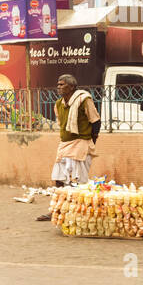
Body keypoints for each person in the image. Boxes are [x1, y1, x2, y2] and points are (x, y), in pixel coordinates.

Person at [38, 74, 101, 221]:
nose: (59, 87)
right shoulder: (59, 104)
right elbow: (61, 124)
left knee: (78, 182)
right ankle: (57, 209)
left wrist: (91, 141)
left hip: (81, 143)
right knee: (59, 178)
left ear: (72, 87)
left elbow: (95, 121)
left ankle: (79, 210)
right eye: (58, 84)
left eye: (62, 84)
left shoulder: (84, 100)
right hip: (65, 144)